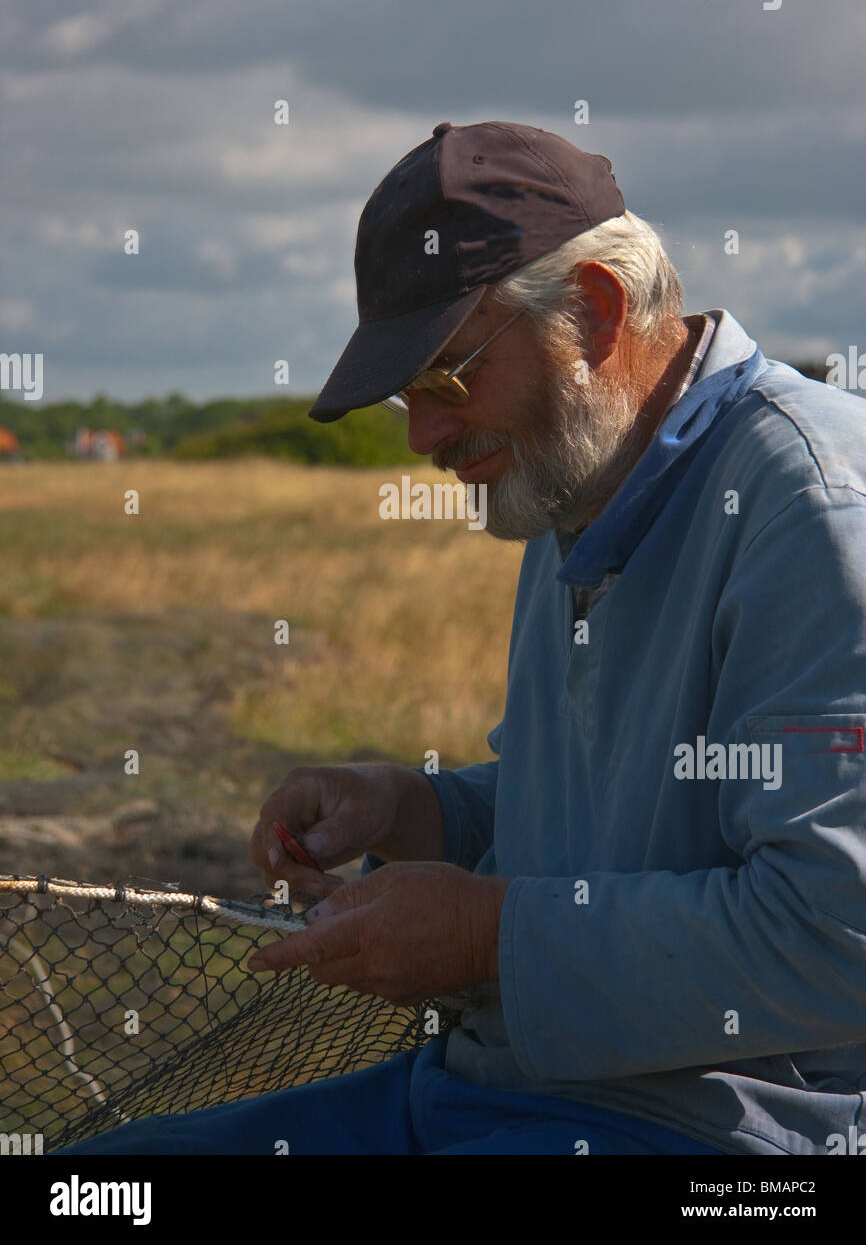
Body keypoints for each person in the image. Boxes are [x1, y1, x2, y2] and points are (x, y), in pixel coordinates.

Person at [55, 120, 866, 1156]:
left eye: (446, 378)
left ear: (593, 314)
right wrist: (411, 806)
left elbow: (832, 934)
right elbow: (605, 831)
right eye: (407, 394)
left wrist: (483, 935)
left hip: (708, 1135)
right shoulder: (572, 472)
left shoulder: (811, 508)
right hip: (481, 1089)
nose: (421, 437)